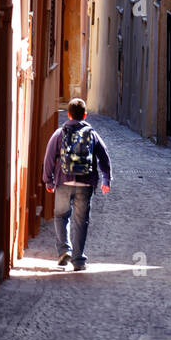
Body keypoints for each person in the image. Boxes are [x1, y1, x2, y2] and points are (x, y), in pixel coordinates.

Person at [43, 99, 111, 271]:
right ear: (85, 115)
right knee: (81, 221)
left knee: (60, 216)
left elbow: (49, 158)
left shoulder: (60, 133)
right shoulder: (92, 134)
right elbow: (104, 157)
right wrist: (106, 180)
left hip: (63, 182)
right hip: (85, 183)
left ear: (69, 114)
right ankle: (79, 260)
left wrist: (48, 180)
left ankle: (64, 250)